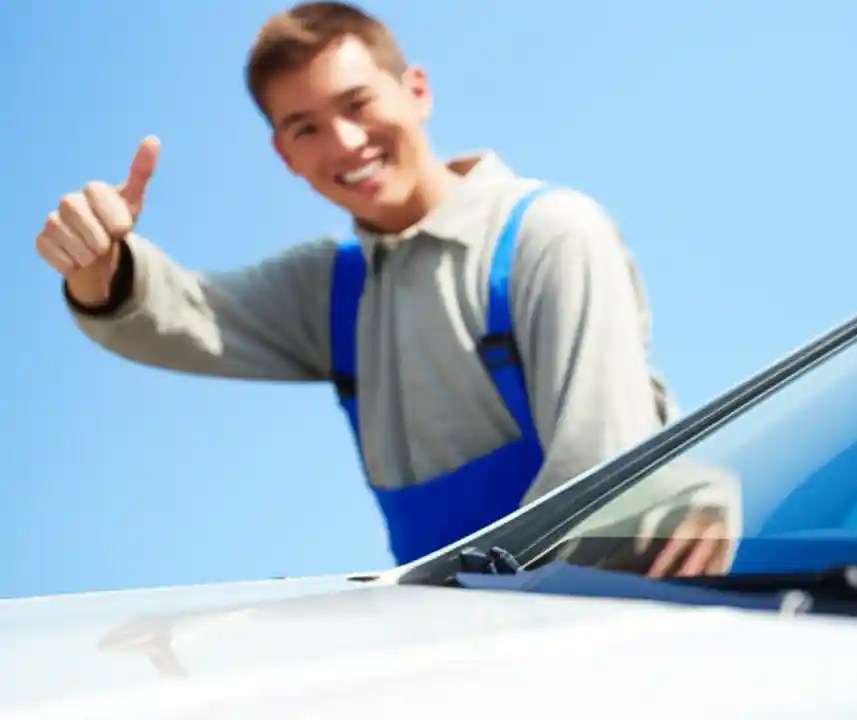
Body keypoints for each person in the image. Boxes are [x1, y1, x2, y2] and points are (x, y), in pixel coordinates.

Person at [33, 1, 732, 576]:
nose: (343, 143)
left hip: (607, 612)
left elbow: (597, 479)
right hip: (470, 623)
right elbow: (184, 313)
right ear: (284, 154)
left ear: (417, 91)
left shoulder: (548, 235)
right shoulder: (332, 291)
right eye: (305, 127)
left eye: (358, 103)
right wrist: (102, 265)